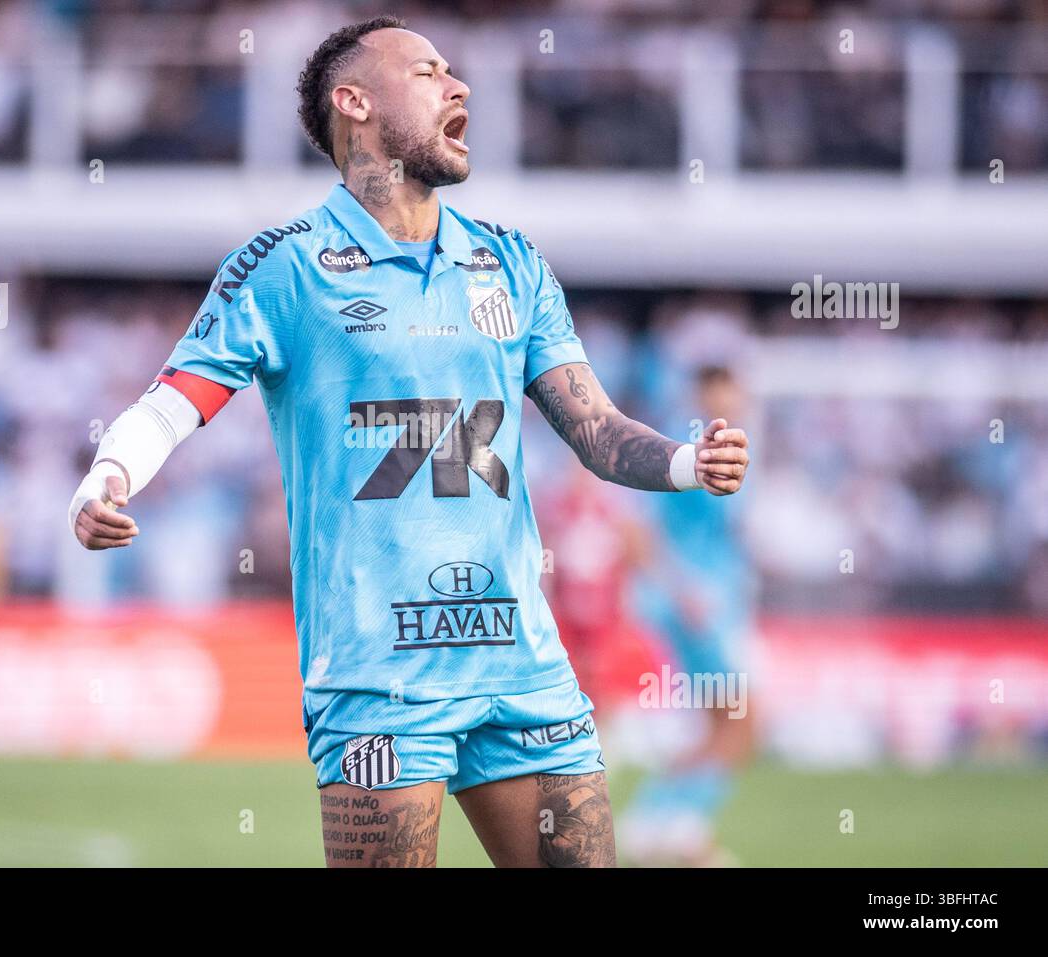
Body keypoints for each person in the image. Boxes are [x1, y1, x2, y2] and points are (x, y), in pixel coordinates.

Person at [67, 16, 750, 867]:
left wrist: (690, 462)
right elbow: (174, 401)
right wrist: (107, 474)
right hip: (379, 680)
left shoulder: (511, 262)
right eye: (429, 72)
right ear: (354, 103)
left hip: (522, 667)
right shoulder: (283, 267)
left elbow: (596, 428)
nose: (458, 87)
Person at [620, 365, 758, 866]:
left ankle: (663, 822)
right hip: (691, 609)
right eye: (717, 394)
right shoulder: (680, 449)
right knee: (741, 720)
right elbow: (637, 530)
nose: (728, 403)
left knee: (725, 721)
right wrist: (682, 592)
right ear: (701, 397)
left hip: (718, 604)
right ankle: (670, 821)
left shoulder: (742, 451)